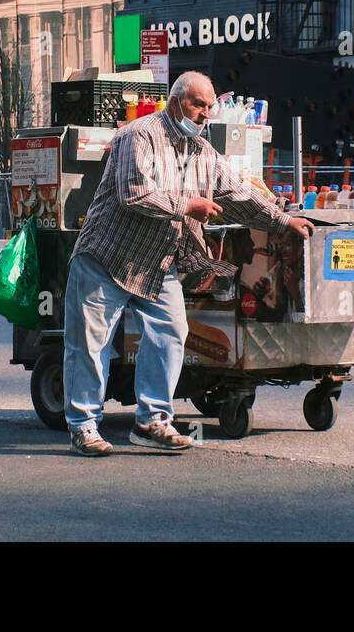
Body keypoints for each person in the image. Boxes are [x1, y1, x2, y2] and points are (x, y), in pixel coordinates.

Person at [63, 71, 315, 456]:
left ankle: (151, 422)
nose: (205, 113)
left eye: (210, 106)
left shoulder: (203, 151)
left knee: (171, 331)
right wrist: (189, 205)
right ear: (177, 101)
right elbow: (134, 194)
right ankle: (84, 426)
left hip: (155, 263)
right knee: (89, 344)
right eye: (199, 104)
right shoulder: (139, 135)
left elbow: (239, 194)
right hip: (107, 257)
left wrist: (283, 221)